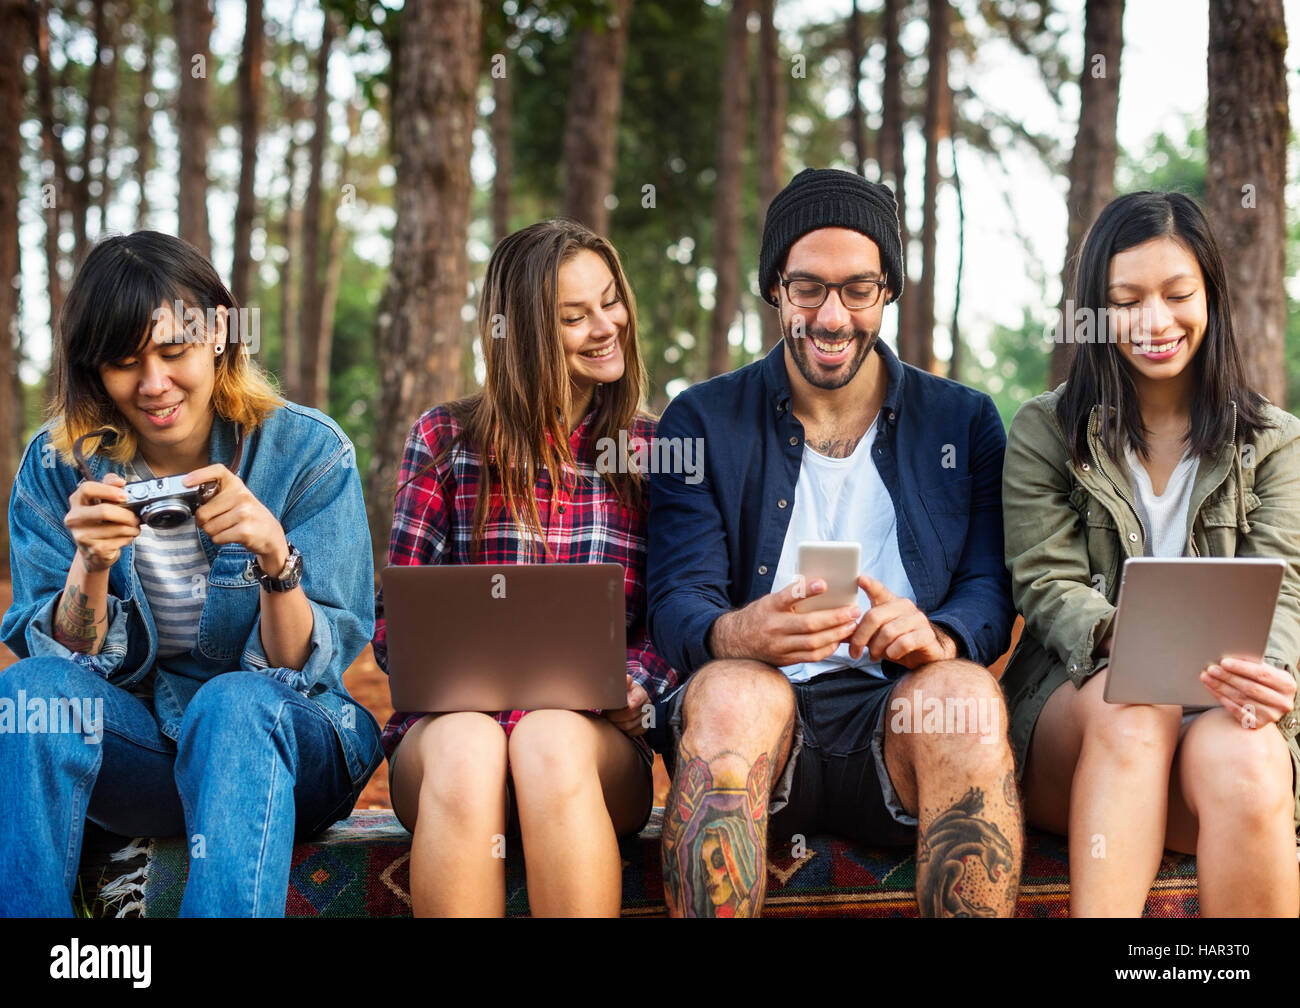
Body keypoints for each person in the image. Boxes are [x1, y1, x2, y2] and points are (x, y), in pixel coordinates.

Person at [647, 168, 1022, 918]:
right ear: (776, 289)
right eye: (808, 288)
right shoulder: (698, 421)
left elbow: (989, 587)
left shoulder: (964, 422)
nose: (832, 316)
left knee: (967, 699)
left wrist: (939, 636)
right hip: (760, 717)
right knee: (728, 693)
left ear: (887, 292)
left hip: (898, 713)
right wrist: (738, 630)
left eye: (858, 289)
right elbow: (674, 601)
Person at [0, 231, 382, 917]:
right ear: (93, 369)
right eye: (123, 363)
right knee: (31, 690)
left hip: (289, 748)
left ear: (219, 338)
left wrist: (275, 558)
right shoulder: (56, 468)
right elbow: (61, 666)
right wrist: (88, 566)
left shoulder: (307, 451)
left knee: (233, 703)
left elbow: (307, 668)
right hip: (146, 754)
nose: (154, 384)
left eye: (174, 352)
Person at [1001, 190, 1300, 917]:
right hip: (1081, 723)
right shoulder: (1045, 431)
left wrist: (1272, 669)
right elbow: (1046, 583)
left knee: (1254, 755)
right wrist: (1130, 646)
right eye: (1126, 300)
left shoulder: (1274, 441)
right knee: (1137, 708)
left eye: (1177, 294)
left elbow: (1285, 589)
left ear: (1212, 297)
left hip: (1217, 728)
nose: (1155, 322)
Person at [373, 218, 679, 917]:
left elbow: (675, 617)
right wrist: (471, 687)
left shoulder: (652, 448)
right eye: (576, 316)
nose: (608, 326)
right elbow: (396, 631)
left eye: (610, 301)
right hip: (451, 744)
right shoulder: (445, 439)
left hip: (590, 748)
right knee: (469, 745)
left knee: (548, 734)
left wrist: (635, 687)